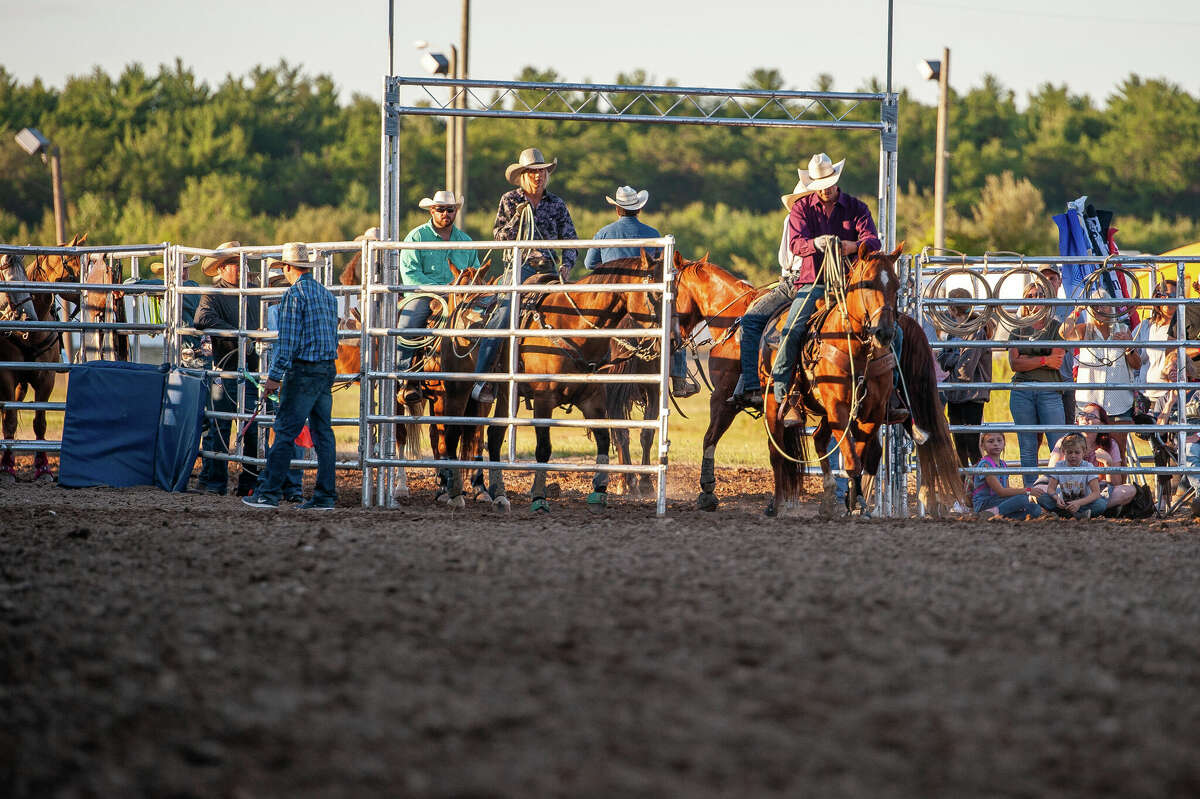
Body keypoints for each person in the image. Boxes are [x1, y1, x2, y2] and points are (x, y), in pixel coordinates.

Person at [471, 147, 578, 404]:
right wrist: (517, 219)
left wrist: (568, 264)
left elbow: (570, 238)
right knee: (503, 313)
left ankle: (581, 375)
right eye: (532, 172)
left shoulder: (557, 204)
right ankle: (481, 378)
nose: (537, 176)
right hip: (520, 266)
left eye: (541, 171)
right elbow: (498, 236)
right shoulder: (510, 200)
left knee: (575, 309)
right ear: (523, 175)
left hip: (551, 268)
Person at [243, 243, 340, 510]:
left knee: (285, 430)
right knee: (323, 433)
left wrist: (274, 376)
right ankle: (325, 496)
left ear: (287, 267)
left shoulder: (294, 296)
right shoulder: (327, 296)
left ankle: (269, 493)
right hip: (326, 367)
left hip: (304, 370)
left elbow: (287, 342)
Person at [583, 185, 698, 398]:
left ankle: (586, 373)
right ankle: (679, 379)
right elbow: (666, 268)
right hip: (647, 302)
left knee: (591, 329)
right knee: (675, 329)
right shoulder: (653, 234)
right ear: (639, 209)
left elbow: (590, 264)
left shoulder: (603, 233)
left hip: (614, 303)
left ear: (617, 210)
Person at [729, 170, 814, 408]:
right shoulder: (826, 216)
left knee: (751, 321)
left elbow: (785, 259)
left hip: (794, 284)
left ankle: (751, 386)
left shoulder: (793, 219)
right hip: (822, 282)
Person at [399, 190, 480, 403]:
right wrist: (442, 289)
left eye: (450, 210)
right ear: (432, 211)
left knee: (486, 325)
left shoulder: (466, 241)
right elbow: (410, 274)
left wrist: (461, 291)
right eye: (441, 209)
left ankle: (486, 378)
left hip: (461, 300)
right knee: (409, 324)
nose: (446, 213)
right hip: (424, 295)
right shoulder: (416, 237)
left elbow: (477, 273)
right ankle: (405, 377)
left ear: (455, 212)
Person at [195, 240, 262, 496]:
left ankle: (249, 483)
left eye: (241, 263)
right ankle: (216, 483)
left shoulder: (255, 292)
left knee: (254, 428)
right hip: (225, 368)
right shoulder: (213, 294)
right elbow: (201, 319)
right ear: (221, 269)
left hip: (252, 371)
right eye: (233, 263)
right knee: (219, 427)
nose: (238, 268)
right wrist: (237, 334)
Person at [1062, 290, 1141, 463]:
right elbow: (1064, 334)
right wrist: (1077, 310)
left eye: (1103, 303)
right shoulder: (1084, 331)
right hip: (1089, 406)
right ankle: (1094, 489)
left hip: (1118, 404)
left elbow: (1137, 364)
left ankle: (1120, 489)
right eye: (1094, 305)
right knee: (1087, 452)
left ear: (1111, 307)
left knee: (1118, 453)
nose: (1099, 308)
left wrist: (1129, 347)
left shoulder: (1123, 329)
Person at [1008, 282, 1067, 487]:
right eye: (1030, 296)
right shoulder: (1018, 329)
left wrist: (1028, 359)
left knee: (1057, 444)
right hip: (1022, 391)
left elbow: (1057, 360)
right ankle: (1031, 492)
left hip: (1050, 391)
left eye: (1039, 295)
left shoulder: (1056, 327)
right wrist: (1044, 360)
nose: (1035, 300)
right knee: (1027, 445)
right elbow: (1015, 364)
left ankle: (1057, 490)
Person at [1030, 402, 1137, 512]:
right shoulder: (1065, 442)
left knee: (1129, 490)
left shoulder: (1110, 445)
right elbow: (1051, 473)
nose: (1085, 418)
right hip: (1065, 488)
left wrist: (1108, 463)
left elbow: (1115, 484)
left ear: (1102, 425)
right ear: (1078, 421)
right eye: (1082, 414)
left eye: (1091, 416)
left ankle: (1068, 510)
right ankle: (1084, 510)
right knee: (1039, 489)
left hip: (1094, 490)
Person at [257, 265, 306, 502]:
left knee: (278, 431)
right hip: (291, 374)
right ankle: (292, 487)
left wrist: (273, 376)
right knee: (292, 431)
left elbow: (281, 346)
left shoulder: (271, 311)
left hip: (275, 375)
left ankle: (271, 485)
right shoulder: (292, 306)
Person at [937, 287, 994, 469]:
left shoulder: (976, 331)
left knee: (971, 445)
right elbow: (943, 359)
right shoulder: (955, 331)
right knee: (960, 445)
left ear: (953, 309)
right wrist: (955, 359)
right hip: (956, 394)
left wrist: (952, 360)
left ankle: (979, 486)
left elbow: (965, 370)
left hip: (971, 394)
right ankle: (964, 489)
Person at [1034, 433, 1107, 519]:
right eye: (1069, 452)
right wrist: (1056, 498)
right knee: (1042, 498)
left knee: (1101, 504)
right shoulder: (1059, 466)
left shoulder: (1088, 467)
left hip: (1083, 503)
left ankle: (1064, 514)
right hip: (1064, 503)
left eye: (1077, 452)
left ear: (1084, 452)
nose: (1073, 456)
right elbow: (1051, 489)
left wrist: (1079, 503)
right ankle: (1076, 515)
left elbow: (1096, 493)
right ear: (1063, 452)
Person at [972, 431, 1042, 519]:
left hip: (999, 501)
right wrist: (1028, 490)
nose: (996, 444)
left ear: (1004, 444)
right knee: (1023, 499)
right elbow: (1001, 492)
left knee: (1035, 509)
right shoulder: (986, 465)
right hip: (985, 503)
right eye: (990, 441)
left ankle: (998, 515)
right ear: (983, 446)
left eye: (999, 441)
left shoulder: (1003, 464)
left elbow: (1007, 490)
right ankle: (992, 513)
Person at [1037, 265, 1076, 423]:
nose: (1048, 282)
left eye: (1052, 278)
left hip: (1064, 378)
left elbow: (1080, 337)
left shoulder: (1070, 307)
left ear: (1060, 281)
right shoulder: (1027, 307)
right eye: (1043, 279)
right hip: (1038, 378)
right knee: (1035, 432)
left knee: (1067, 432)